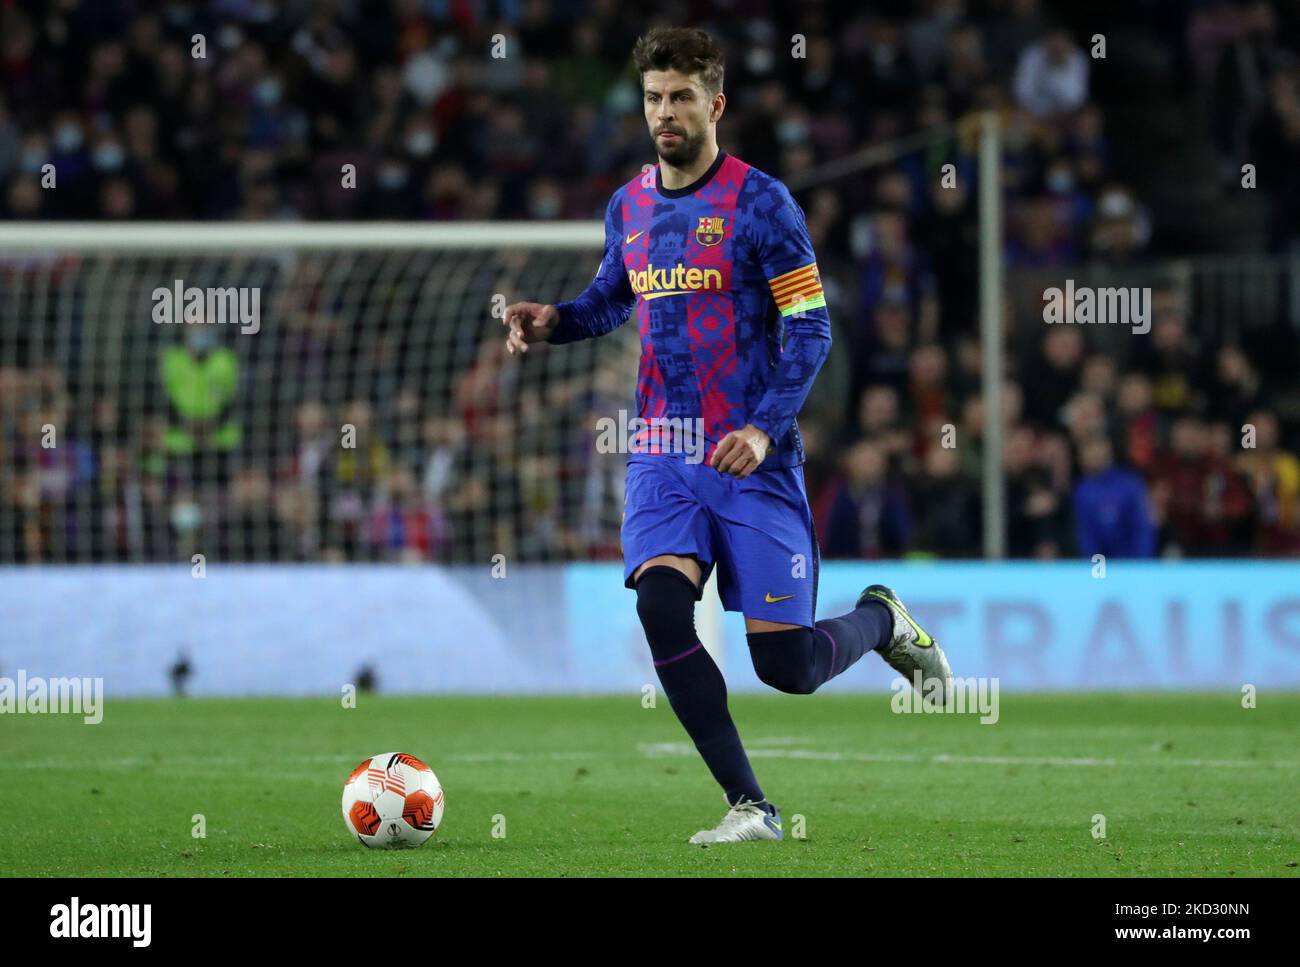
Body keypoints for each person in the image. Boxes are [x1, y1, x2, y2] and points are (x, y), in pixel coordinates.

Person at [501, 27, 952, 845]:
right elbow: (612, 301)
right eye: (651, 98)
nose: (664, 113)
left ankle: (882, 620)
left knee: (788, 668)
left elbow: (811, 327)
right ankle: (751, 805)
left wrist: (763, 426)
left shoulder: (762, 203)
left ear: (716, 102)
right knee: (662, 604)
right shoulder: (629, 204)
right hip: (662, 453)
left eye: (679, 97)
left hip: (751, 456)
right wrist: (554, 320)